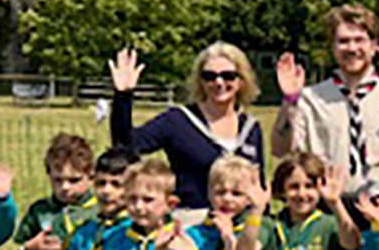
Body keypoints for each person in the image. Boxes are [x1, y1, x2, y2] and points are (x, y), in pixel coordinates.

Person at [272, 4, 379, 186]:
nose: (351, 48)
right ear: (332, 47)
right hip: (330, 203)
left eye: (359, 40)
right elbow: (281, 151)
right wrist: (289, 101)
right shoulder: (311, 99)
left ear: (374, 46)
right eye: (343, 41)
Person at [108, 43, 264, 212]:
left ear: (241, 81)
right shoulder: (178, 121)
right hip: (192, 221)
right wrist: (123, 96)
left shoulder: (250, 128)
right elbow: (126, 145)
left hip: (244, 225)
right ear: (200, 81)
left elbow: (259, 184)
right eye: (209, 76)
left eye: (228, 76)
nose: (219, 82)